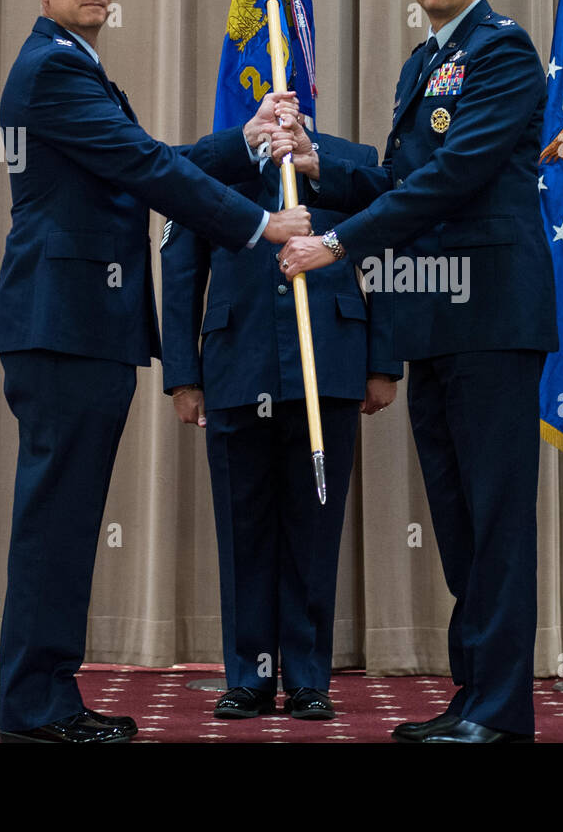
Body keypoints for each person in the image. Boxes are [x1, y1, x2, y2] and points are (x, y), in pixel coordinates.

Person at [0, 0, 310, 744]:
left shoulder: (75, 68)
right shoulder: (52, 71)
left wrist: (242, 142)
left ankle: (48, 697)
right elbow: (145, 168)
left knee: (62, 521)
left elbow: (141, 160)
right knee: (54, 524)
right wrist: (260, 225)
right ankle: (34, 708)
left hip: (79, 326)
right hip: (62, 325)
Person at [278, 0, 557, 744]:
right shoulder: (421, 62)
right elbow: (404, 176)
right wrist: (318, 160)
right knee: (461, 521)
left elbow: (455, 177)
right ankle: (474, 695)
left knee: (498, 521)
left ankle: (503, 711)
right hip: (436, 317)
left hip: (493, 317)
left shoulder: (503, 53)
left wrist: (338, 244)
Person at [161, 116, 401, 722]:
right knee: (243, 529)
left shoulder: (352, 159)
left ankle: (307, 676)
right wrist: (184, 375)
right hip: (237, 362)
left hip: (332, 363)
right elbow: (183, 263)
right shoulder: (217, 164)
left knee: (315, 528)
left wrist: (383, 364)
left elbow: (392, 248)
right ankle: (248, 676)